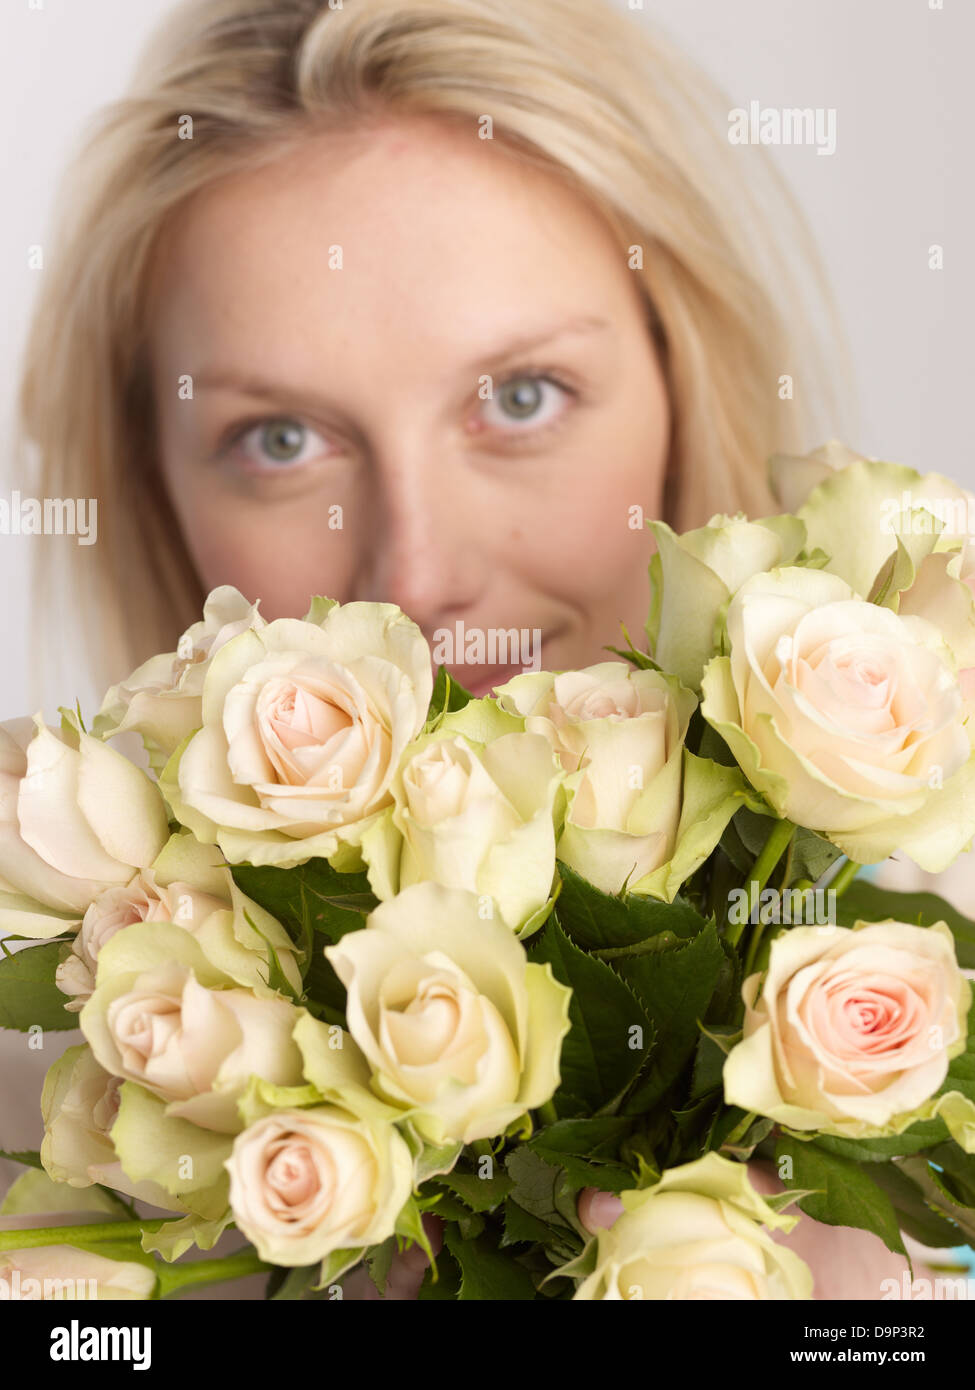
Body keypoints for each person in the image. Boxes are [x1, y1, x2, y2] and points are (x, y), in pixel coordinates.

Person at [8, 0, 902, 1299]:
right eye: (279, 439)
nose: (418, 576)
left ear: (681, 377)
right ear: (152, 485)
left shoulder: (920, 1079)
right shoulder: (50, 1183)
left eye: (521, 398)